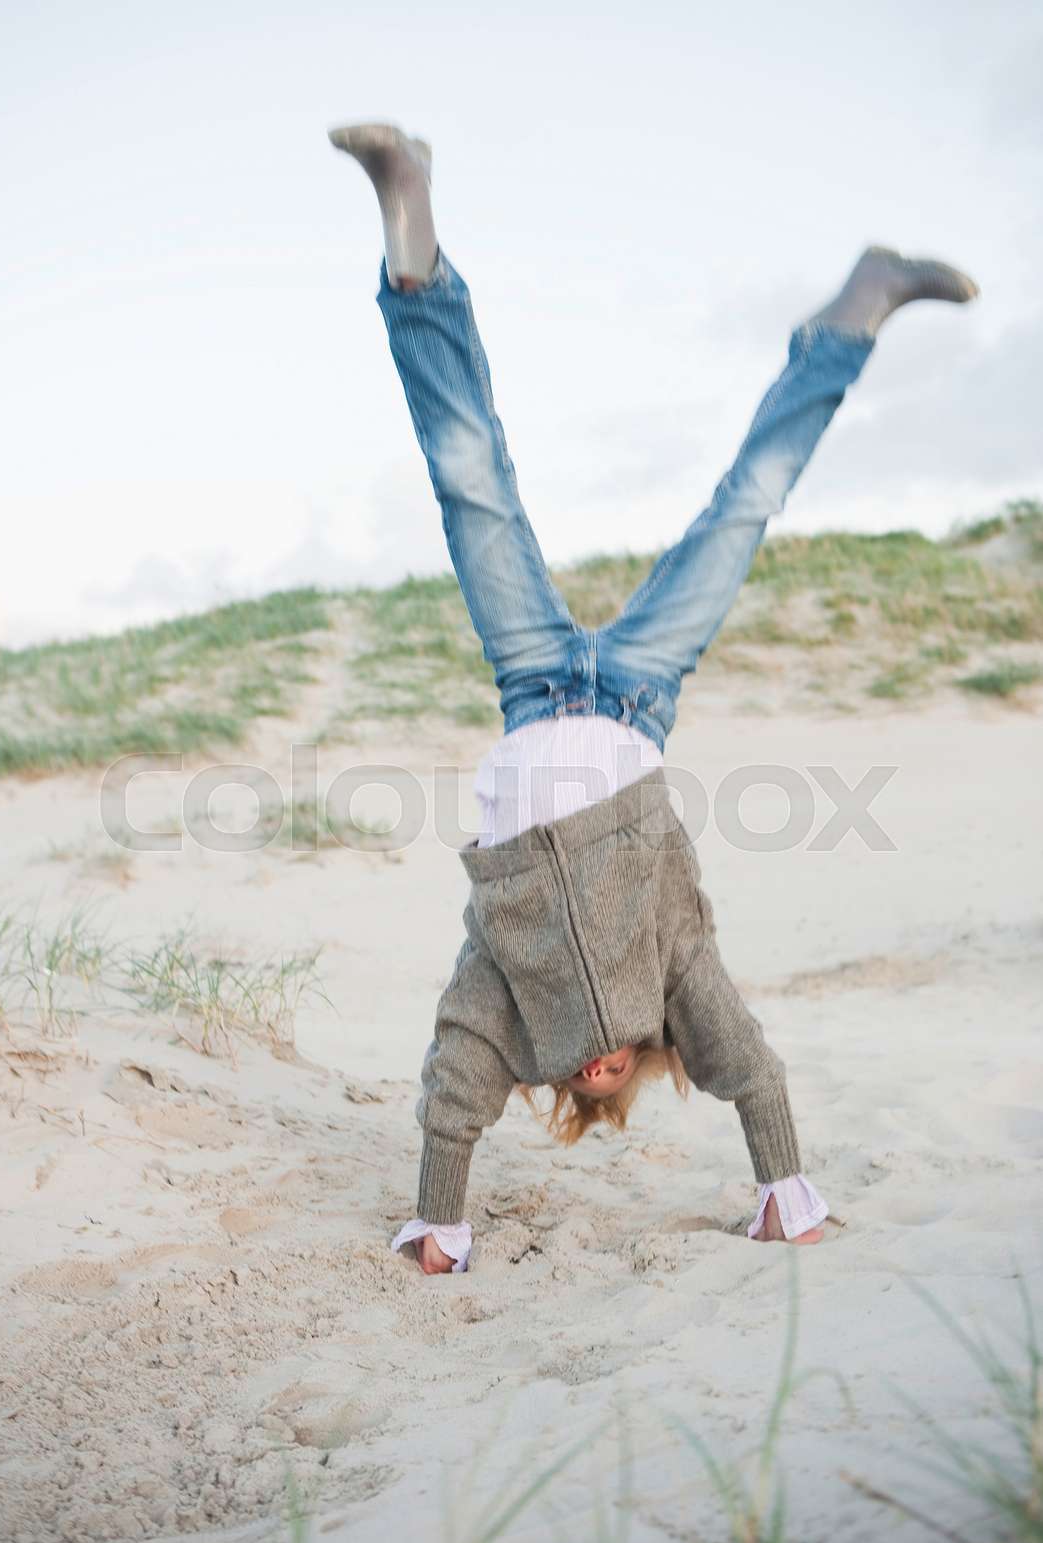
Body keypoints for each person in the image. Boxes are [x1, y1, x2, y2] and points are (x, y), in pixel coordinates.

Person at [327, 122, 978, 1275]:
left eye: (588, 1087)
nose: (596, 1070)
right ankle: (852, 315)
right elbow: (751, 1067)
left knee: (469, 484)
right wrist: (785, 1190)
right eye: (617, 1075)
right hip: (639, 705)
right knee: (743, 509)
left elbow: (448, 1083)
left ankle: (413, 255)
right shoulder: (674, 981)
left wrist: (440, 1221)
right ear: (640, 1058)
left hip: (531, 692)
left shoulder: (508, 1015)